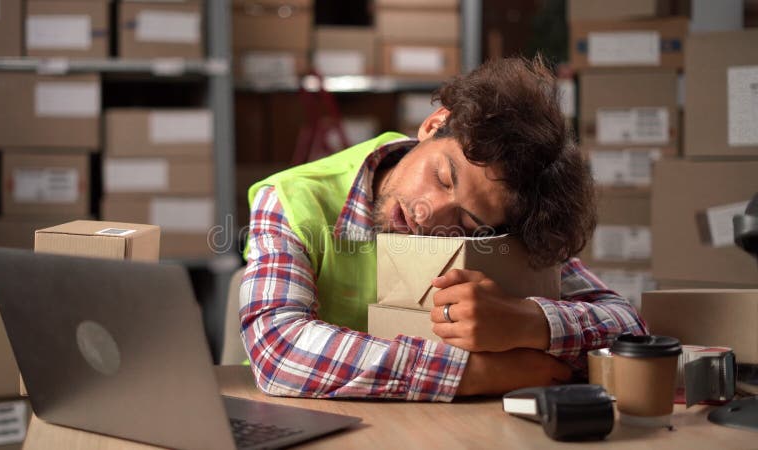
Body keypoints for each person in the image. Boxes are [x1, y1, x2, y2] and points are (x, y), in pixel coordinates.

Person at [239, 56, 647, 401]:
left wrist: (528, 322)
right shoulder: (291, 200)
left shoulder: (500, 226)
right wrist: (479, 372)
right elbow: (279, 350)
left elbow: (628, 328)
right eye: (442, 177)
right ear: (434, 125)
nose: (429, 214)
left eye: (465, 222)